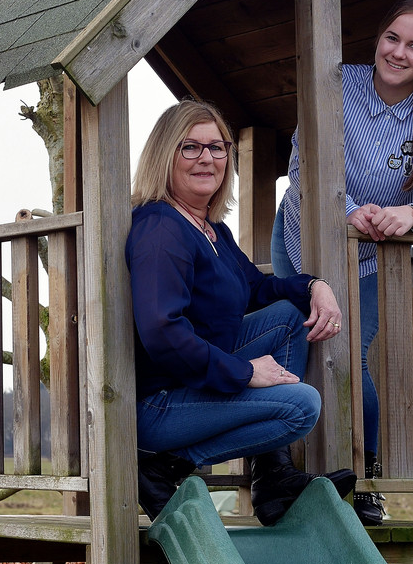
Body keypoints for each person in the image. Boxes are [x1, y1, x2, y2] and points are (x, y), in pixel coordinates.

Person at [271, 0, 413, 525]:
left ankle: (366, 482)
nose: (399, 53)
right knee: (287, 341)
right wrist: (346, 212)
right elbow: (301, 167)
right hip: (303, 234)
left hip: (372, 258)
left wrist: (409, 213)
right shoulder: (337, 84)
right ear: (378, 38)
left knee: (348, 352)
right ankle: (272, 475)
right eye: (392, 38)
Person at [126, 98, 356, 524]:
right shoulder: (161, 229)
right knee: (300, 405)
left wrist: (313, 286)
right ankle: (163, 467)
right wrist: (247, 373)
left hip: (193, 387)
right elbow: (162, 331)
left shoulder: (211, 229)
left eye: (217, 147)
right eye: (190, 147)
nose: (207, 159)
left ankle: (274, 476)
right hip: (159, 406)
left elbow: (258, 289)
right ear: (165, 154)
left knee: (288, 318)